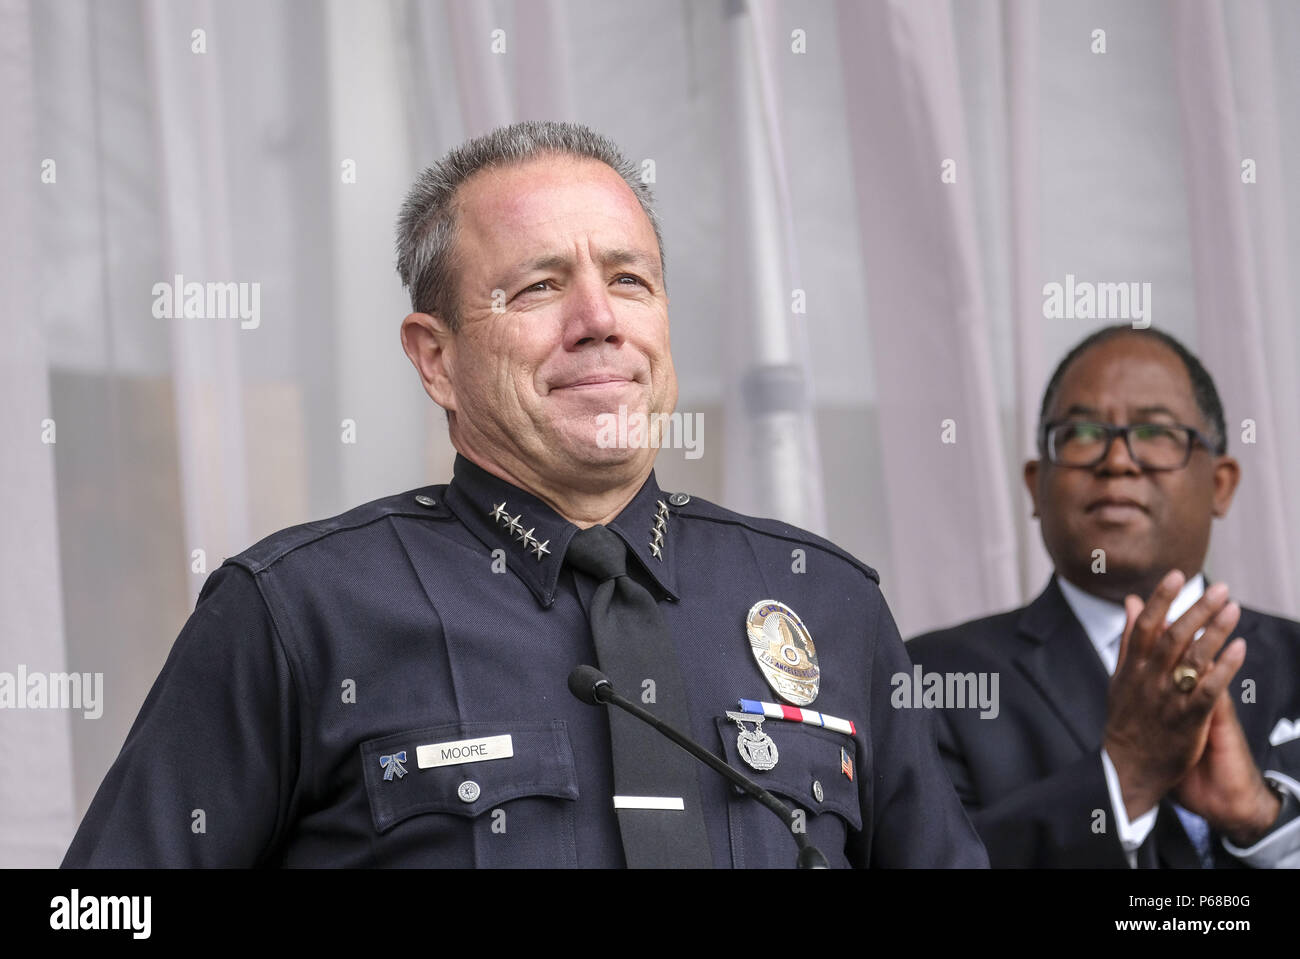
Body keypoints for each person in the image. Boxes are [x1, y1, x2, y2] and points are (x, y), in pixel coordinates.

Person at [62, 121, 985, 868]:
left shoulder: (828, 601)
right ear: (436, 356)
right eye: (541, 287)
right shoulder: (298, 614)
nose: (600, 322)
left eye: (630, 279)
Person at [908, 325, 1300, 867]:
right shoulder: (929, 678)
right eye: (1083, 433)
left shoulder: (1294, 660)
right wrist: (1124, 777)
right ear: (1035, 486)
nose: (1117, 461)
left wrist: (1263, 818)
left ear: (1221, 484)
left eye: (1157, 432)